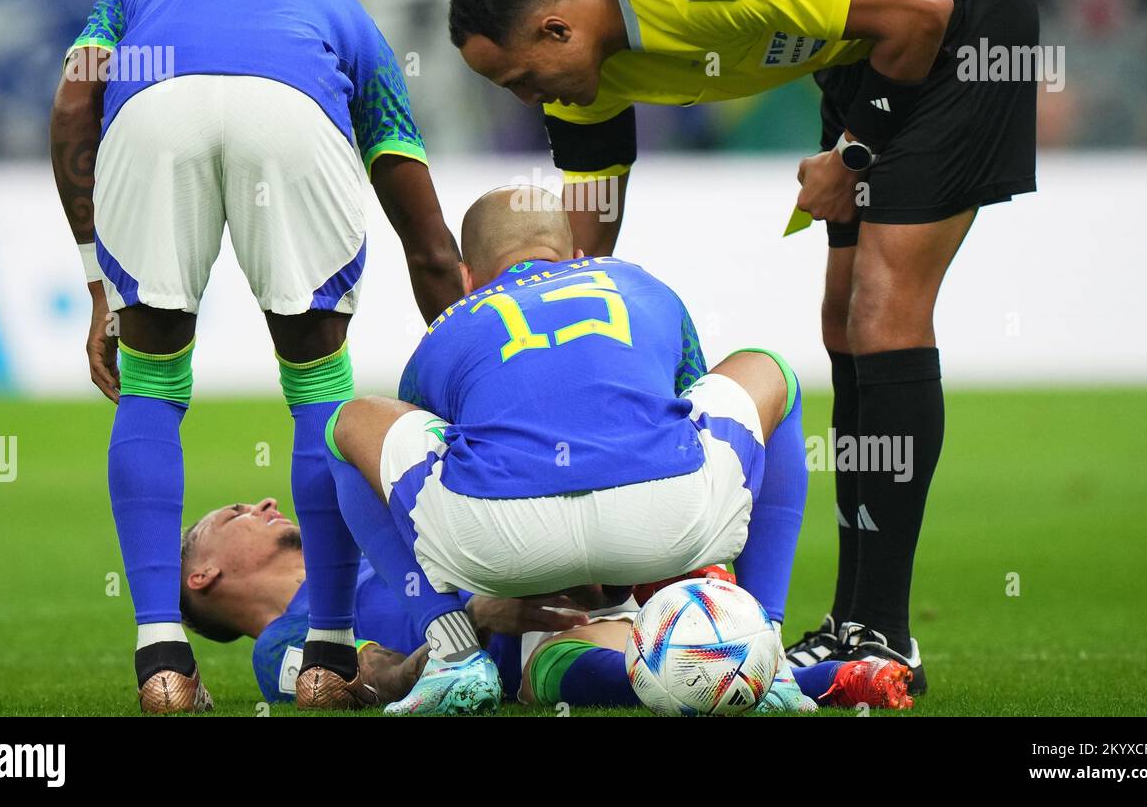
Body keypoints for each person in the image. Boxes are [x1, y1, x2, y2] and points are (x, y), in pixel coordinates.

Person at [448, 0, 1040, 691]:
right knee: (842, 320)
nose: (526, 99)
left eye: (521, 79)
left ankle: (884, 630)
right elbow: (586, 255)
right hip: (866, 51)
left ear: (555, 30)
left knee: (882, 311)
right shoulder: (584, 73)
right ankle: (854, 624)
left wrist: (852, 155)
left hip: (952, 16)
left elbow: (921, 9)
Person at [50, 0, 464, 713]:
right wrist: (470, 370)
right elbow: (431, 244)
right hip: (293, 109)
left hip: (152, 111)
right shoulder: (342, 8)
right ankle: (328, 659)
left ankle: (162, 664)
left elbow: (74, 106)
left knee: (151, 382)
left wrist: (98, 286)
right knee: (318, 387)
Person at [320, 185, 816, 715]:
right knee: (769, 370)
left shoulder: (446, 329)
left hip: (497, 544)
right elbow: (687, 406)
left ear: (467, 278)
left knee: (347, 425)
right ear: (579, 257)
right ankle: (770, 658)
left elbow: (426, 462)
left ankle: (453, 654)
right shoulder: (640, 284)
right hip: (670, 519)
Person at [180, 500, 912, 711]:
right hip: (530, 640)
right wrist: (471, 623)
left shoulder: (364, 548)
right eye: (235, 513)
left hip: (564, 566)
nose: (264, 502)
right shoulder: (281, 645)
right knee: (603, 666)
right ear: (202, 576)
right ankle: (836, 680)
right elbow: (378, 680)